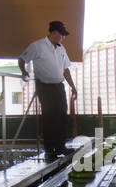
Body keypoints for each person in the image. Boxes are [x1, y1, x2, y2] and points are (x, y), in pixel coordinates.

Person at [18, 21, 78, 162]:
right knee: (50, 117)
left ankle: (60, 146)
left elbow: (65, 70)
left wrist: (73, 87)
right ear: (55, 32)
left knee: (62, 115)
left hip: (59, 86)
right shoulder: (38, 46)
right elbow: (22, 59)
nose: (63, 37)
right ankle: (49, 150)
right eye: (62, 34)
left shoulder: (61, 49)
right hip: (44, 86)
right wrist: (24, 71)